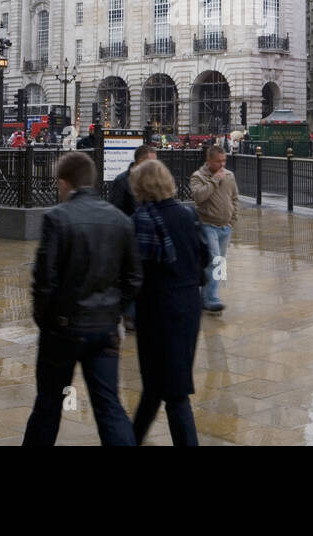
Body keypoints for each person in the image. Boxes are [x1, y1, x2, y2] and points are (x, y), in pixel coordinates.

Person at [23, 152, 141, 446]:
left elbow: (44, 280)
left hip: (63, 327)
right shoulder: (119, 219)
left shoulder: (57, 218)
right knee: (109, 406)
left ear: (64, 184)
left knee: (49, 403)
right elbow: (134, 277)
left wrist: (45, 319)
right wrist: (115, 309)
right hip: (104, 327)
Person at [129, 159, 209, 446]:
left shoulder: (142, 220)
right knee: (157, 386)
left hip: (157, 309)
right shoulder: (187, 214)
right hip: (188, 306)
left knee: (172, 392)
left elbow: (134, 271)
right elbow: (206, 257)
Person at [109, 144, 157, 332]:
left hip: (148, 239)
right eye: (151, 162)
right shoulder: (122, 181)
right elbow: (115, 210)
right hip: (130, 238)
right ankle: (129, 314)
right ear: (140, 161)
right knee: (131, 277)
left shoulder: (153, 181)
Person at [189, 145, 239, 313]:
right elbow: (199, 197)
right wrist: (215, 180)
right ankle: (211, 298)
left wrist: (233, 220)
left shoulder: (230, 176)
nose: (222, 165)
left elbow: (234, 198)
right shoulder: (198, 176)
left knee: (219, 264)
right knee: (214, 259)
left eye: (224, 160)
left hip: (225, 226)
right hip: (208, 225)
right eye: (218, 161)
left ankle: (208, 295)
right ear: (209, 161)